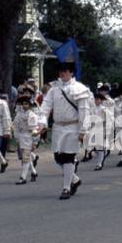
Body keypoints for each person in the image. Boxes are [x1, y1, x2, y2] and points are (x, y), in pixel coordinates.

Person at [40, 61, 94, 199]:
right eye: (61, 71)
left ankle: (66, 188)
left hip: (73, 126)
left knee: (68, 157)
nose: (62, 74)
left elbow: (84, 111)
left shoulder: (80, 89)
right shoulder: (54, 89)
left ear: (71, 72)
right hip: (58, 126)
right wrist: (42, 122)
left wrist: (83, 130)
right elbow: (46, 106)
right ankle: (75, 180)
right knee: (58, 157)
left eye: (65, 71)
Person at [12, 93, 42, 184]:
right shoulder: (18, 115)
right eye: (23, 104)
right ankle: (33, 172)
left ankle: (23, 177)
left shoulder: (33, 116)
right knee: (26, 156)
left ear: (30, 105)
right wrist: (16, 137)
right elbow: (16, 126)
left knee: (25, 157)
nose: (24, 105)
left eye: (26, 104)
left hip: (29, 137)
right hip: (21, 137)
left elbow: (35, 130)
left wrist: (35, 142)